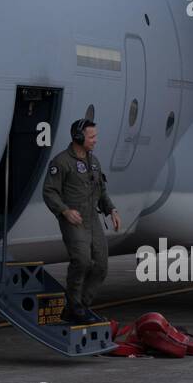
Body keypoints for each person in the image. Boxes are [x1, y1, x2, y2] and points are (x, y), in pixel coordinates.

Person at [42, 116, 121, 324]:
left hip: (92, 219)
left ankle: (80, 307)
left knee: (101, 265)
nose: (95, 140)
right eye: (92, 136)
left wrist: (111, 209)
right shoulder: (61, 162)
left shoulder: (93, 162)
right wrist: (65, 211)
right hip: (74, 220)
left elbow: (101, 190)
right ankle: (75, 305)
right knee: (82, 261)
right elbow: (49, 191)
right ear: (78, 137)